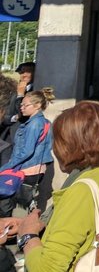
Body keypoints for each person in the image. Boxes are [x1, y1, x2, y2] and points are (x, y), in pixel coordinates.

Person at [5, 100, 99, 272]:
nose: (54, 148)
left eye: (57, 140)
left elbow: (47, 268)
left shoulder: (82, 190)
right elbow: (86, 225)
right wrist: (27, 223)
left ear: (71, 144)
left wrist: (28, 236)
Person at [0, 88, 55, 217]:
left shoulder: (34, 124)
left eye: (25, 105)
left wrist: (6, 167)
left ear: (37, 106)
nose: (22, 108)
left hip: (27, 170)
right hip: (32, 169)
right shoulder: (43, 122)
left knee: (19, 208)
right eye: (21, 105)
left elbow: (26, 151)